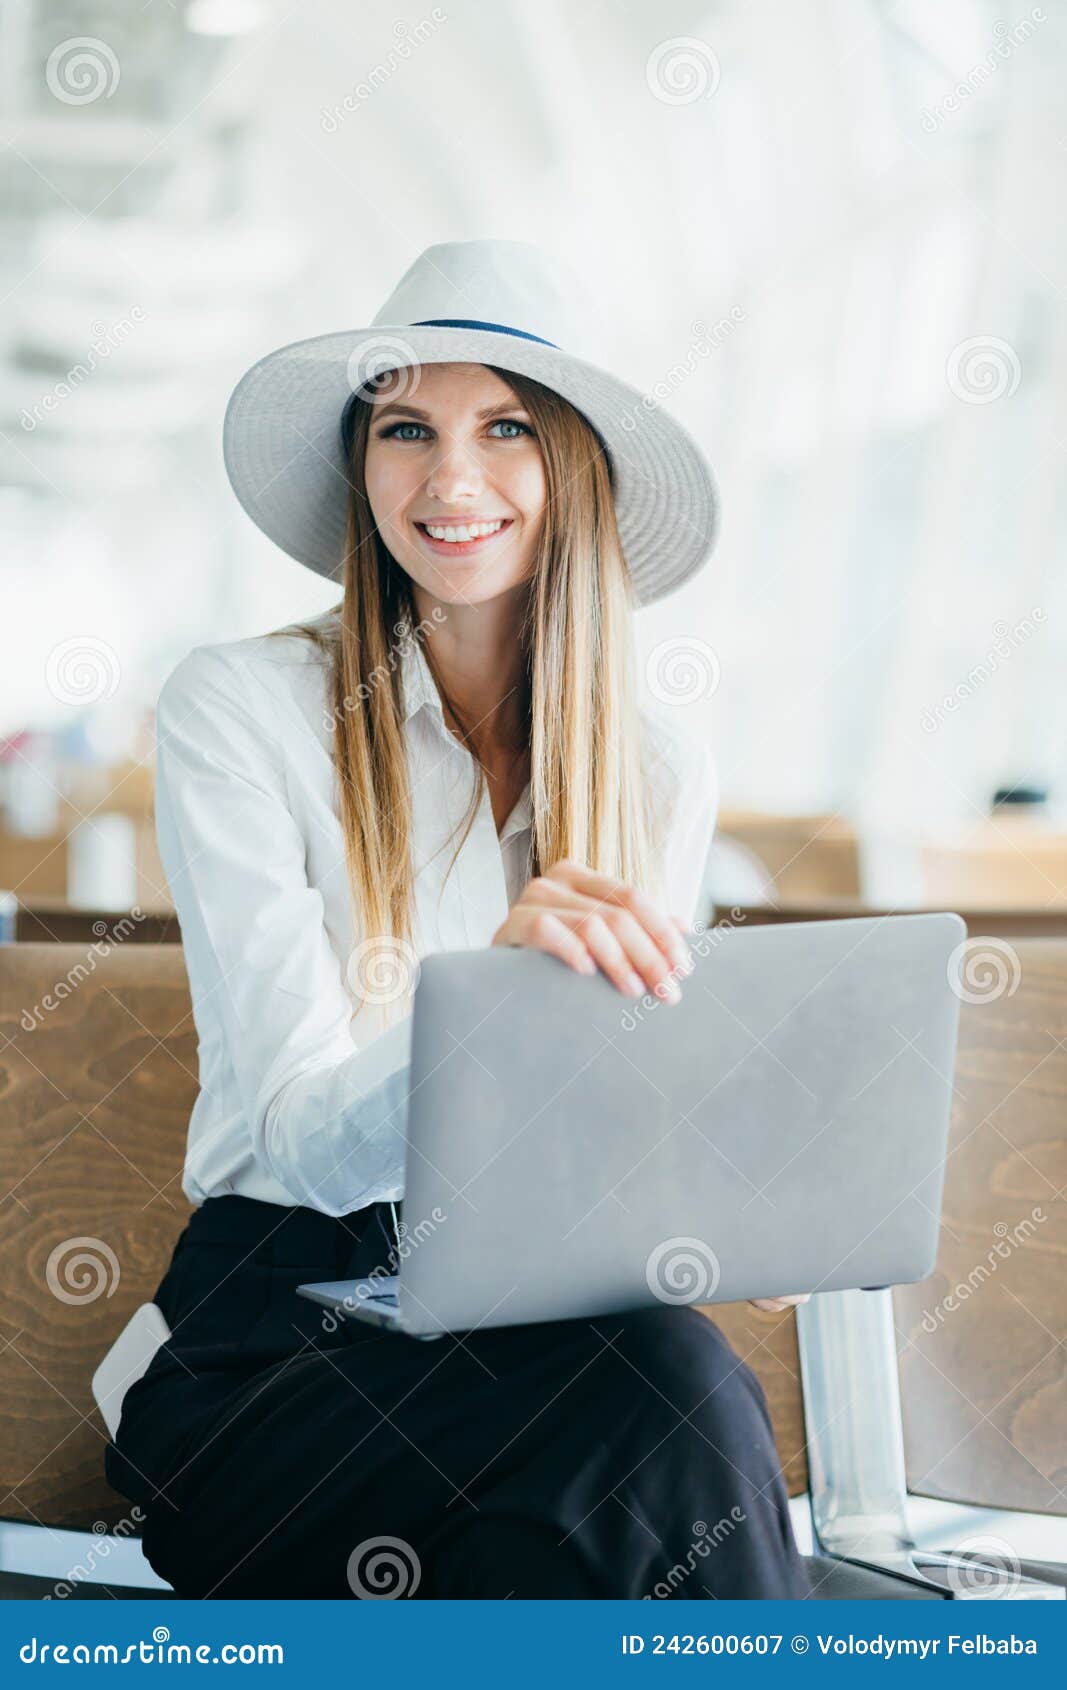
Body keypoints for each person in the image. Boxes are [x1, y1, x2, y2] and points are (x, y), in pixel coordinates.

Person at [104, 239, 811, 1600]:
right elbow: (297, 1141)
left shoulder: (657, 766)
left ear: (574, 468)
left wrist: (731, 1205)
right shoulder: (238, 710)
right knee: (663, 1403)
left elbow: (609, 1145)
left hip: (538, 1322)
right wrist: (485, 1015)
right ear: (360, 464)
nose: (450, 479)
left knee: (594, 1498)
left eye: (506, 428)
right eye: (406, 429)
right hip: (277, 1343)